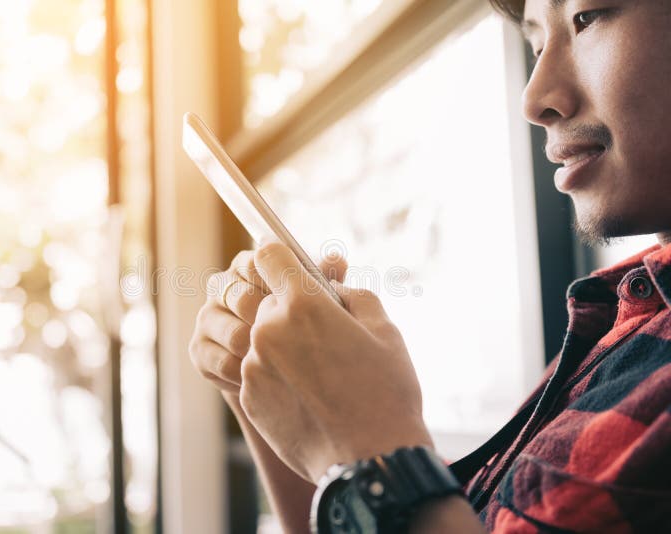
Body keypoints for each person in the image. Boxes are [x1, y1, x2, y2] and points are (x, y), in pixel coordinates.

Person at [188, 0, 671, 531]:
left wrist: (371, 454)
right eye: (535, 45)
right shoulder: (625, 327)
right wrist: (284, 395)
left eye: (587, 17)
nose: (535, 97)